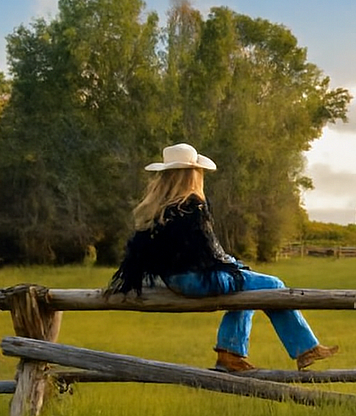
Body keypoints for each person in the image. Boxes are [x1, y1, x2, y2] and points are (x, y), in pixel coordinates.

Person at [106, 142, 339, 373]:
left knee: (247, 285)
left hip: (174, 280)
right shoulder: (193, 206)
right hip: (196, 280)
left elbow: (144, 253)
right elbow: (209, 251)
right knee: (271, 285)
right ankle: (303, 349)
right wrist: (234, 266)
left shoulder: (158, 208)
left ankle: (232, 354)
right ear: (192, 175)